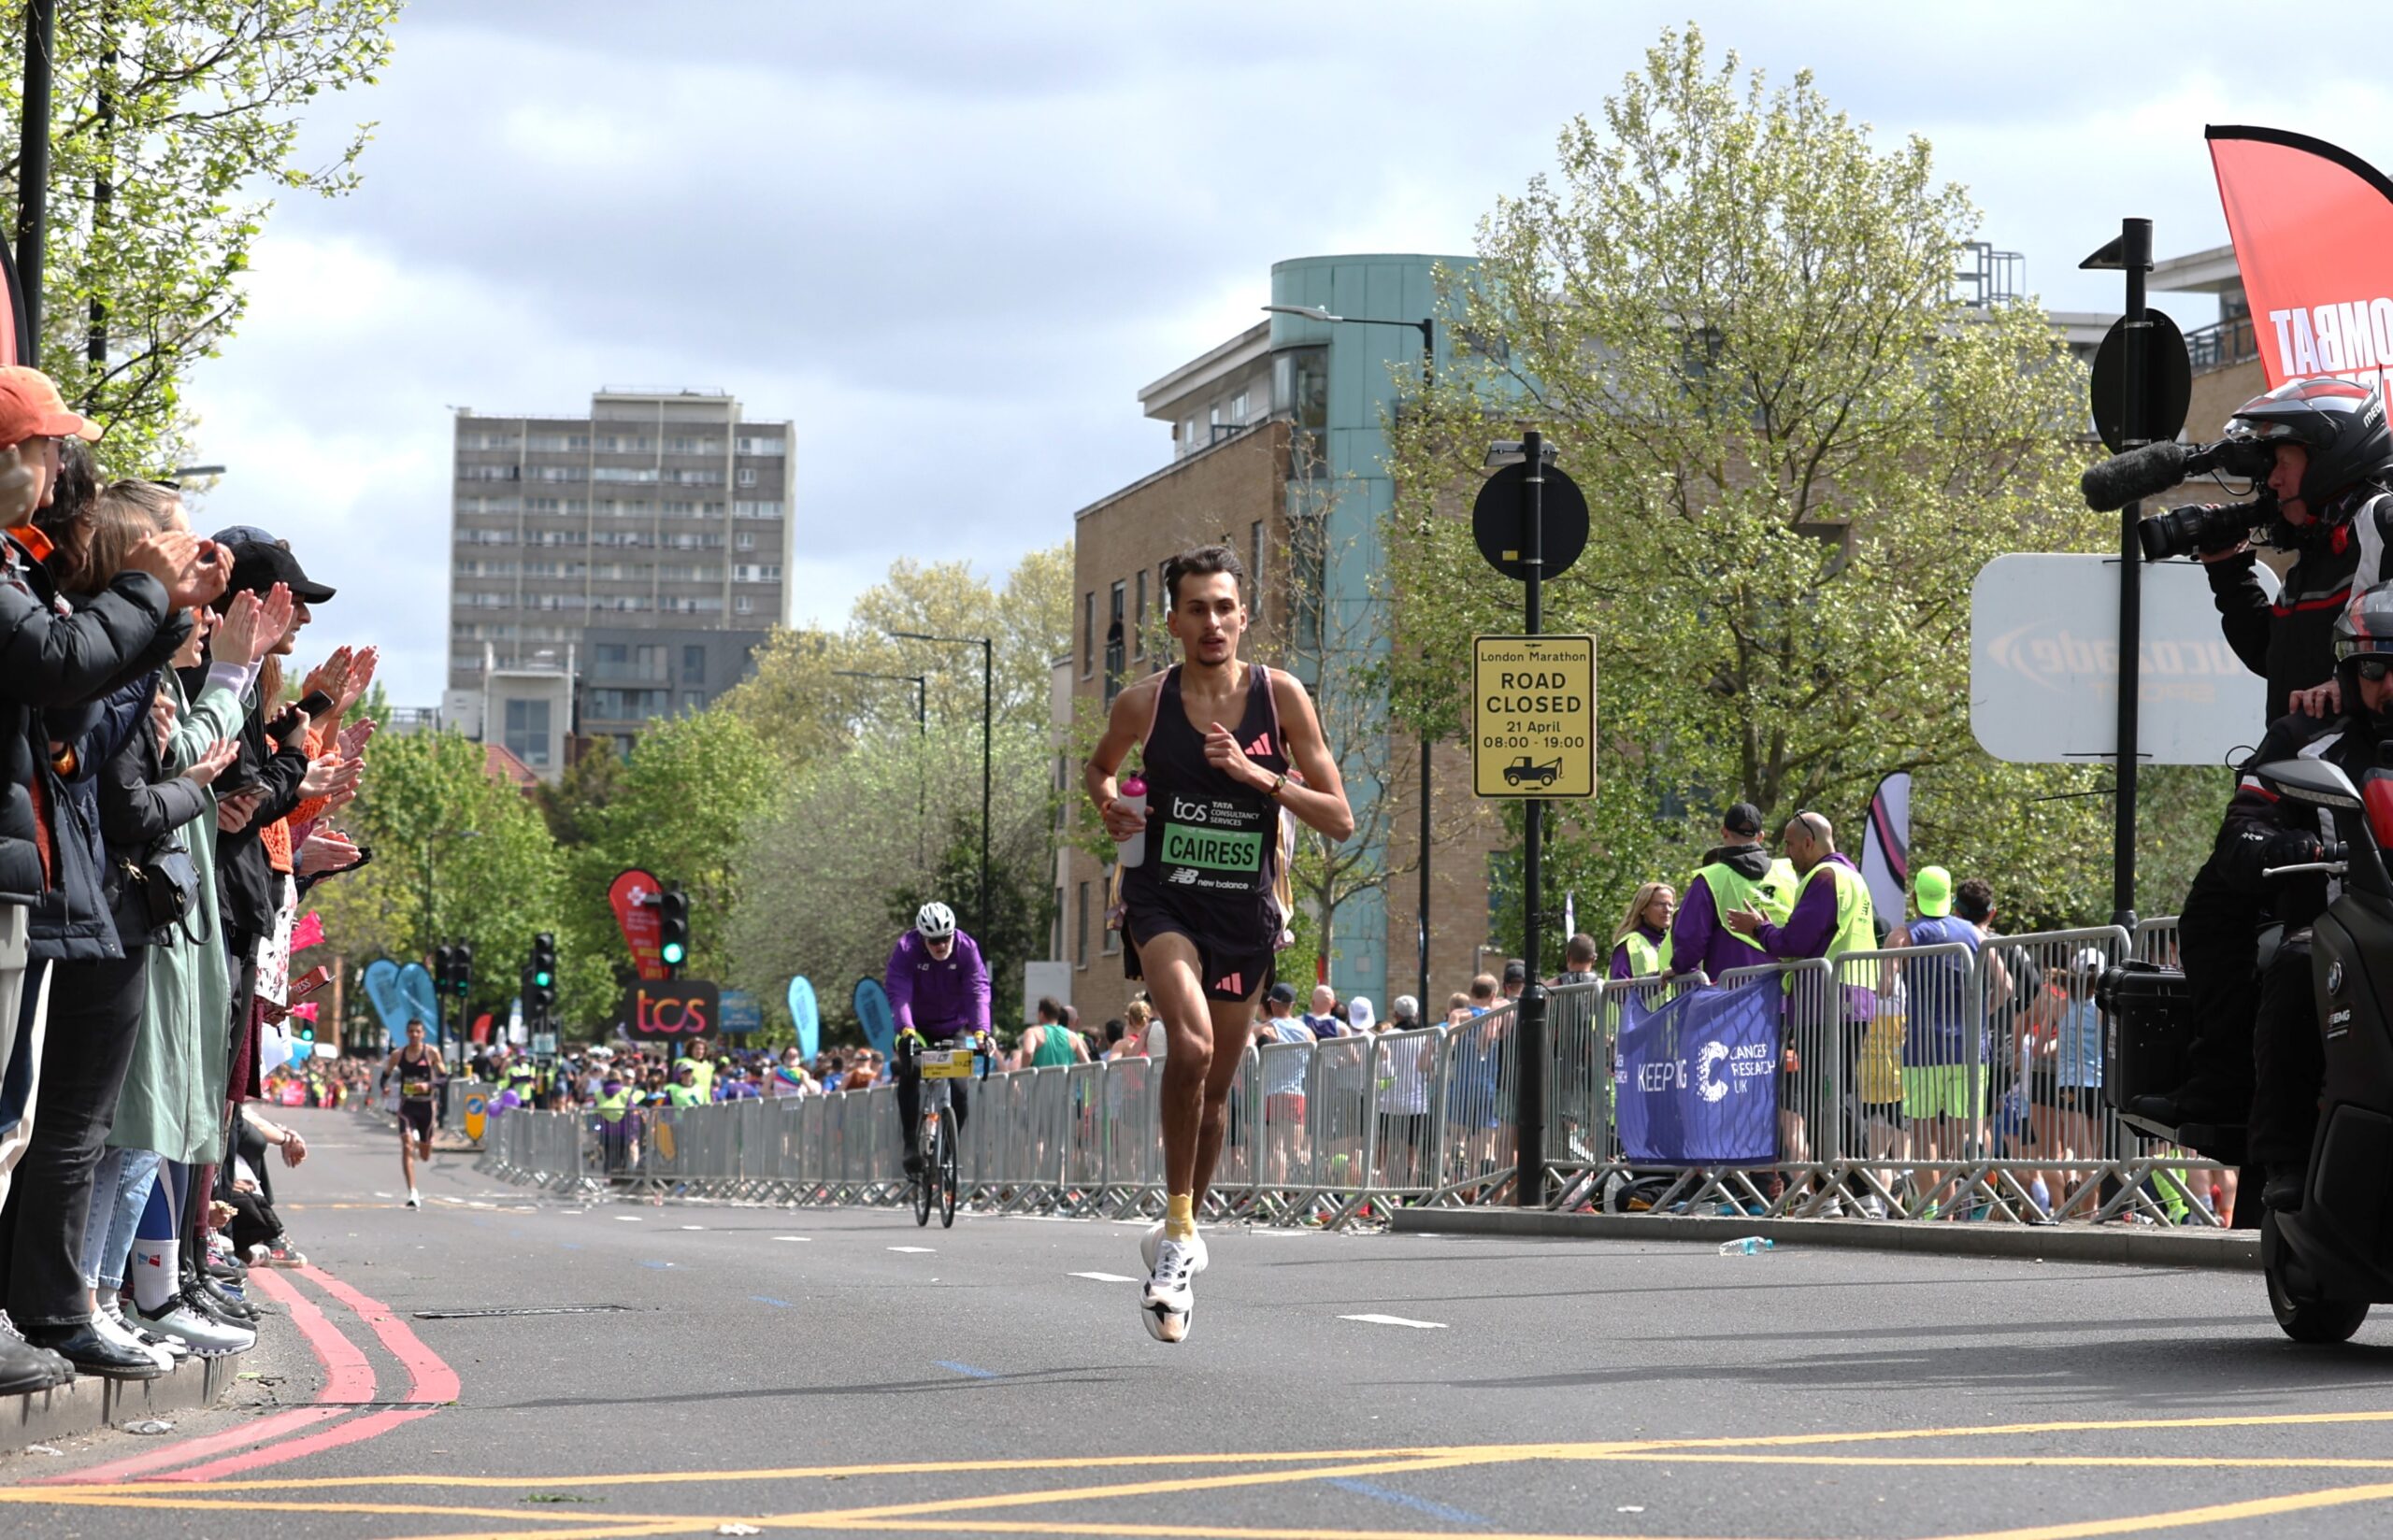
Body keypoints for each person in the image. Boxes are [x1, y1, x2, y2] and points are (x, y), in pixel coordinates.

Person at [1087, 542, 1352, 1344]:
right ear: (1173, 620)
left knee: (1215, 1097)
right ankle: (1174, 1237)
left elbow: (1338, 815)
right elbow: (1098, 770)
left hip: (1245, 913)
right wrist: (1114, 804)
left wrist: (1255, 775)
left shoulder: (1283, 698)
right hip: (1163, 899)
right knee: (1191, 1048)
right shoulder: (1144, 704)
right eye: (1196, 608)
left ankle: (1181, 1233)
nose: (1212, 621)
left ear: (1245, 616)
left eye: (1225, 606)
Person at [2174, 586, 2393, 1210]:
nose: (2389, 684)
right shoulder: (2304, 735)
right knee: (2300, 965)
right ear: (2349, 669)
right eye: (2375, 668)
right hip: (2340, 928)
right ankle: (2285, 1161)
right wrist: (2303, 848)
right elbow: (2242, 829)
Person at [2201, 378, 2393, 724]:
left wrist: (2345, 687)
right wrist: (2227, 571)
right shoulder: (2318, 547)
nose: (2273, 480)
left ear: (2328, 461)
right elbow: (2273, 658)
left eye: (2282, 464)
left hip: (2366, 768)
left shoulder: (2381, 523)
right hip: (2301, 765)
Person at [1726, 812, 1877, 1211]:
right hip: (1854, 995)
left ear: (1809, 842)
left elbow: (1794, 940)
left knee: (1823, 1099)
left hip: (1825, 999)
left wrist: (1758, 928)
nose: (1788, 855)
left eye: (1791, 845)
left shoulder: (1823, 878)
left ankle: (1853, 1192)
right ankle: (1848, 1192)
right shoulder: (1853, 877)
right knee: (1836, 1096)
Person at [884, 900, 993, 1176]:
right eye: (934, 941)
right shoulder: (907, 949)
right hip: (916, 1028)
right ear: (923, 937)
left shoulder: (966, 948)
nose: (941, 945)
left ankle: (947, 1149)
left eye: (945, 938)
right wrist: (906, 1029)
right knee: (911, 1070)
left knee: (960, 1089)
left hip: (953, 1026)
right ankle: (910, 1143)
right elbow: (900, 992)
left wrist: (981, 1030)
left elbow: (977, 990)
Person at [1669, 803, 1798, 983]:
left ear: (1724, 831)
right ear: (1761, 837)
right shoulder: (1789, 872)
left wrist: (1678, 967)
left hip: (1733, 997)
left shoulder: (1709, 879)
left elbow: (1691, 940)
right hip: (1788, 994)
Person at [1252, 983, 1313, 1187]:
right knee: (1297, 1148)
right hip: (1297, 1093)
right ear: (1293, 1004)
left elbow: (1255, 1042)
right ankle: (1303, 1198)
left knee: (1276, 1148)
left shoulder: (1268, 1028)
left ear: (1272, 1003)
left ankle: (1275, 1195)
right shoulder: (1306, 1030)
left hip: (1273, 1093)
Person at [384, 1018, 443, 1208]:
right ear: (406, 1033)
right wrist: (384, 1087)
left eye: (418, 1031)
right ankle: (413, 1192)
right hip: (407, 1106)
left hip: (426, 1106)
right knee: (407, 1146)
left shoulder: (432, 1053)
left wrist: (429, 1084)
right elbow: (385, 1075)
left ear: (423, 1034)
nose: (414, 1035)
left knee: (425, 1155)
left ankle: (423, 1143)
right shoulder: (398, 1054)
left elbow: (444, 1078)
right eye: (411, 1031)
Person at [1609, 885, 1674, 979]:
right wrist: (1658, 981)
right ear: (1643, 909)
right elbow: (1619, 989)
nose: (1667, 910)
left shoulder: (1674, 941)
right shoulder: (1631, 943)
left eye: (1670, 905)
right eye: (1660, 904)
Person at [1015, 994, 1086, 1071]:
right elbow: (1087, 1063)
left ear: (1041, 1014)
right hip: (1066, 1082)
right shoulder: (1072, 1036)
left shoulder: (1033, 1032)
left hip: (1042, 1082)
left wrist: (1022, 1072)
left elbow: (1028, 1053)